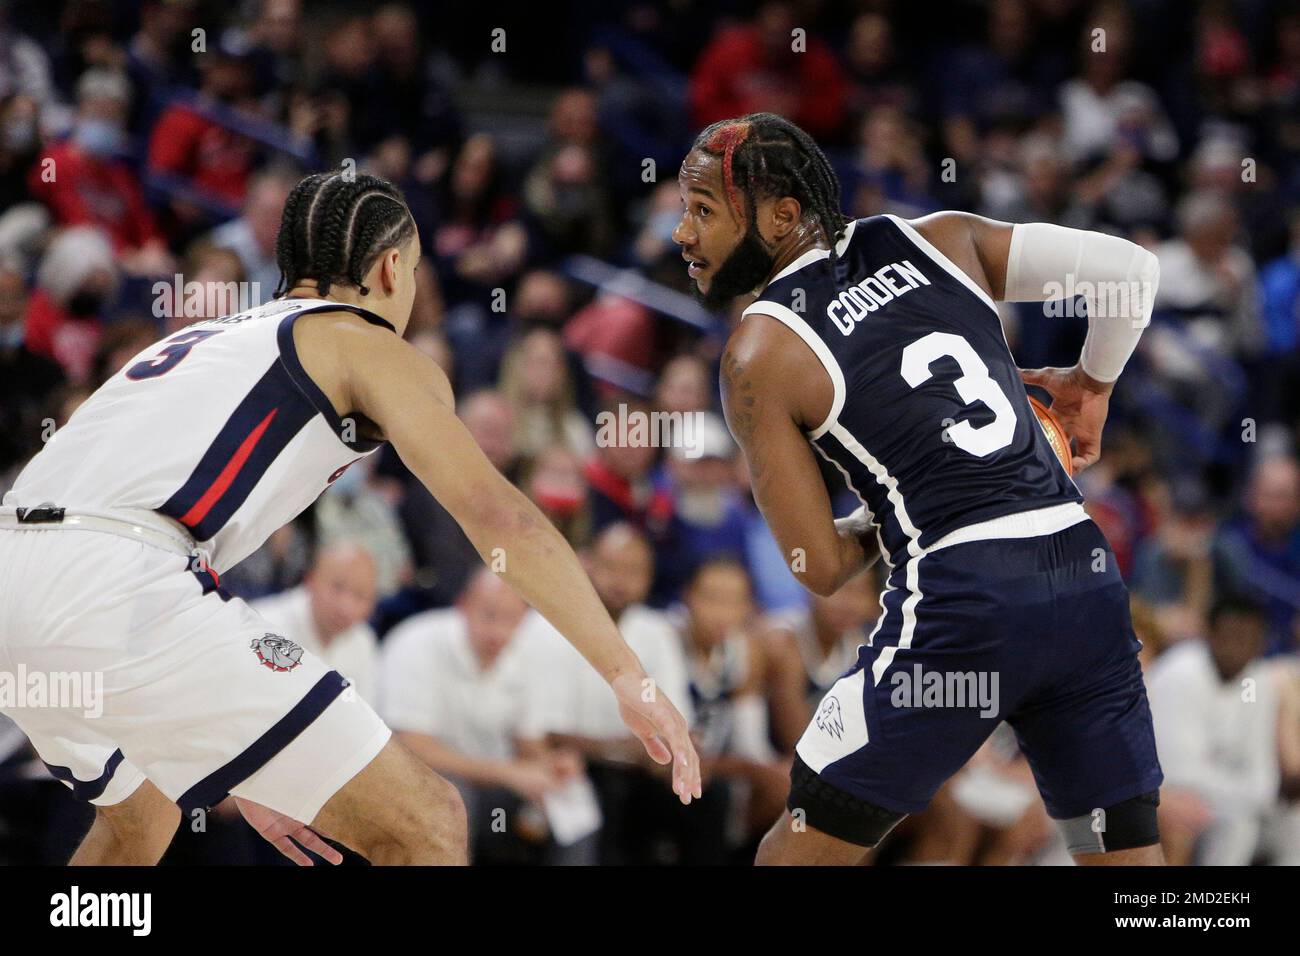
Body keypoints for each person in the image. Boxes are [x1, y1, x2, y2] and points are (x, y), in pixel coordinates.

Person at [0, 170, 699, 867]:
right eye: (419, 271)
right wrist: (625, 674)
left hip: (20, 576)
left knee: (136, 822)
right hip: (116, 580)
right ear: (392, 268)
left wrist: (238, 743)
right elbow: (501, 521)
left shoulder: (203, 340)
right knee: (428, 822)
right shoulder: (365, 342)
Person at [672, 112, 1163, 864]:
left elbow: (818, 568)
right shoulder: (940, 237)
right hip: (1082, 569)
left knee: (795, 851)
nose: (682, 233)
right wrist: (1092, 383)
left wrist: (893, 511)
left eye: (702, 210)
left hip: (967, 600)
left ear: (782, 217)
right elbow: (1132, 273)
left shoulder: (759, 354)